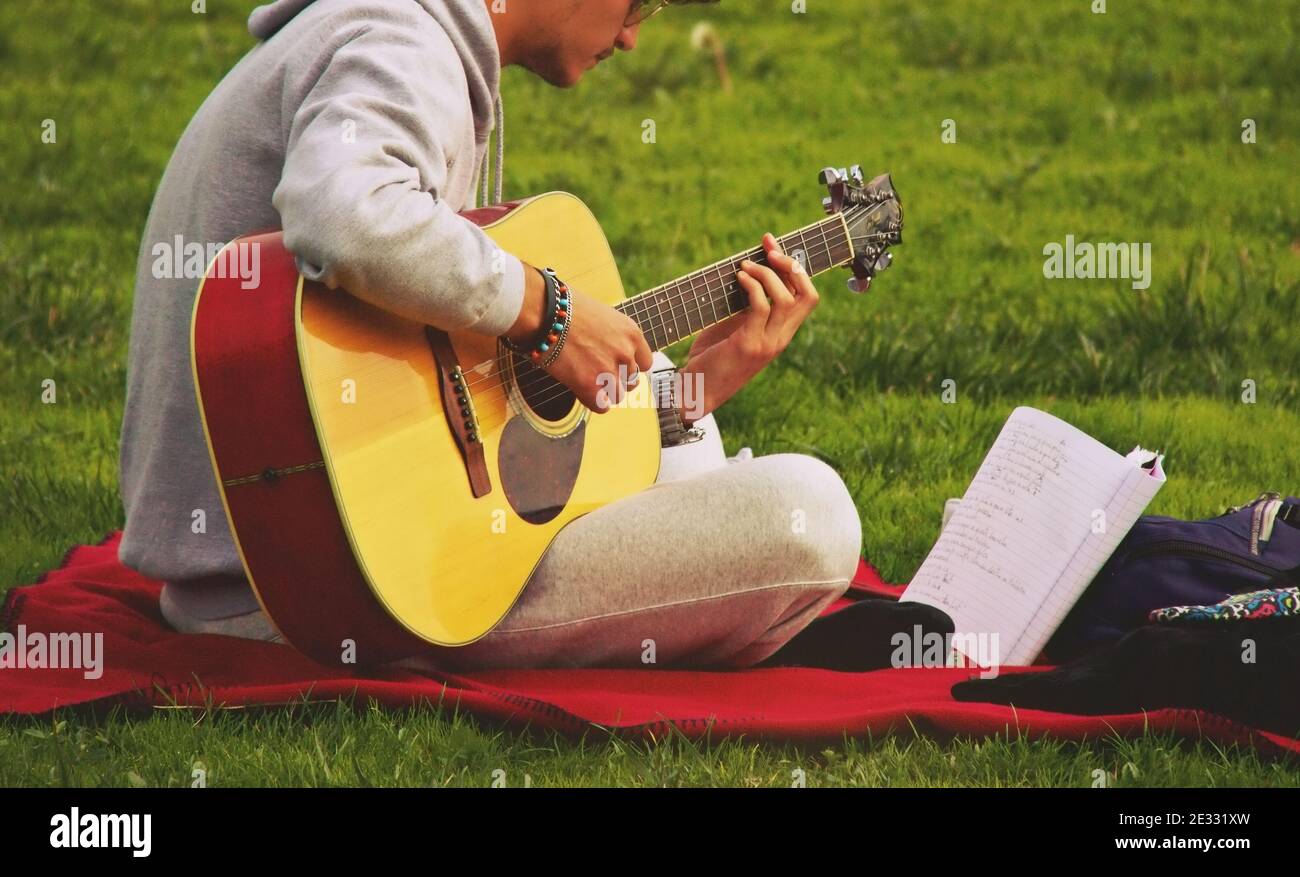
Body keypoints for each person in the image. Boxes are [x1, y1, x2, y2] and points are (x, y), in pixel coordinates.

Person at [121, 0, 937, 672]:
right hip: (300, 592)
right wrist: (549, 314)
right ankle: (746, 628)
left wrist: (699, 384)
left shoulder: (392, 33)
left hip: (316, 545)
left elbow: (448, 417)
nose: (630, 35)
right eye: (637, 4)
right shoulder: (403, 42)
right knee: (810, 515)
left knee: (688, 436)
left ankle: (735, 616)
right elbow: (339, 212)